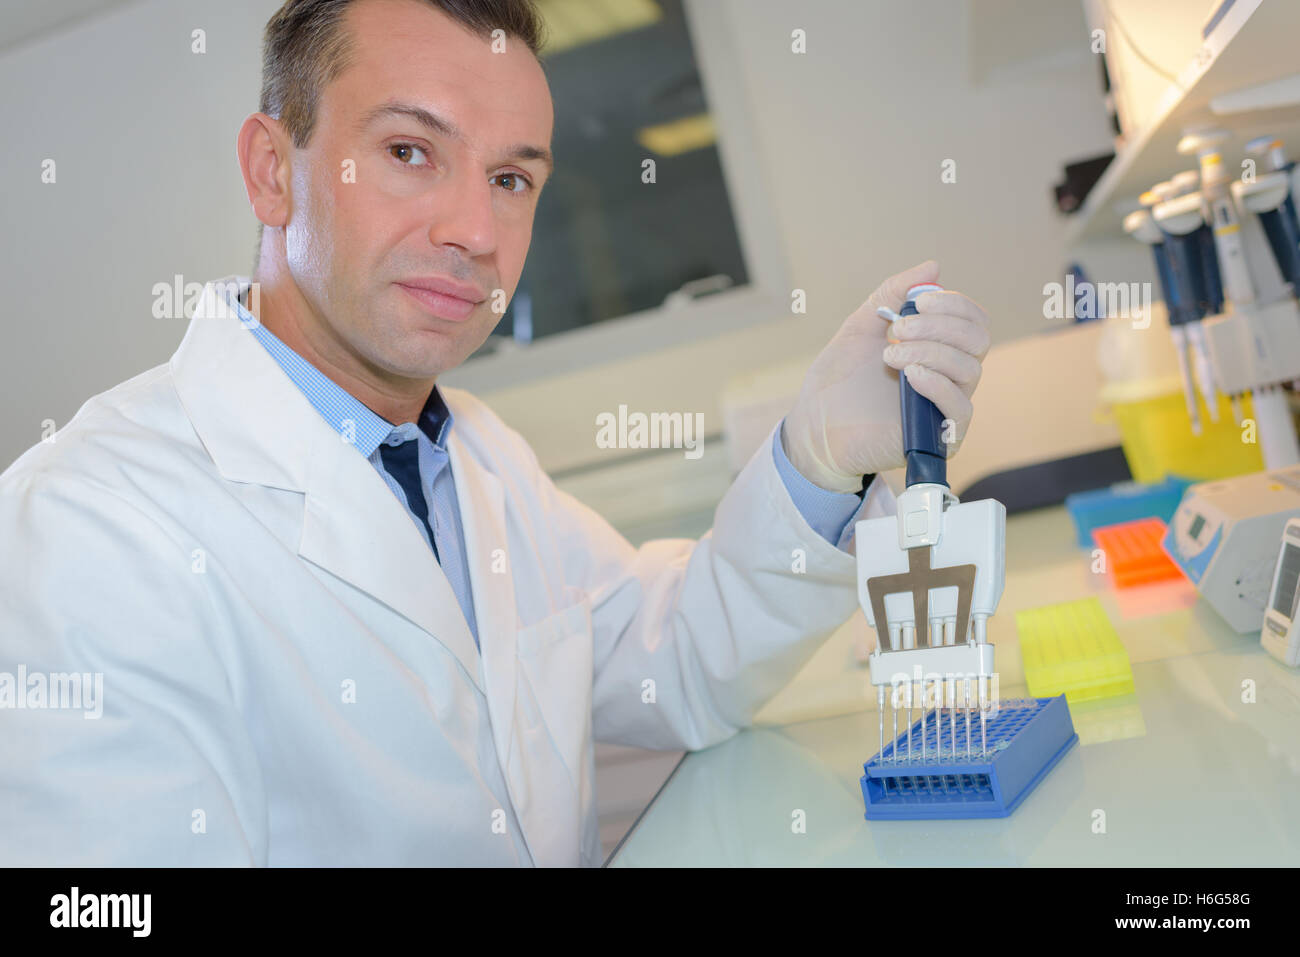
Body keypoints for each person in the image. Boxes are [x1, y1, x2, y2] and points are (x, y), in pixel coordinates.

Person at [0, 0, 990, 866]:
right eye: (407, 152)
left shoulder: (472, 454)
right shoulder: (87, 528)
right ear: (271, 171)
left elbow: (669, 664)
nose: (477, 229)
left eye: (512, 179)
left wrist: (815, 457)